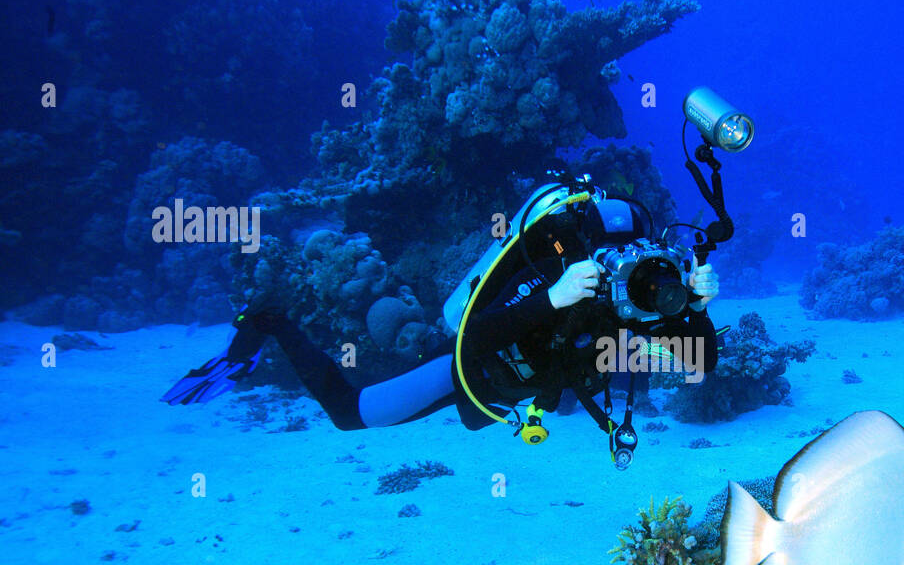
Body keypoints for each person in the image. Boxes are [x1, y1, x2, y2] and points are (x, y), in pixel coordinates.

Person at [162, 192, 721, 449]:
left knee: (528, 402)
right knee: (350, 414)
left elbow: (699, 365)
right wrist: (552, 299)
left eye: (636, 261)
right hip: (470, 374)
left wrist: (692, 309)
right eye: (613, 258)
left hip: (530, 393)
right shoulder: (555, 273)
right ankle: (270, 322)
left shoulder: (631, 303)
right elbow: (473, 336)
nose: (626, 275)